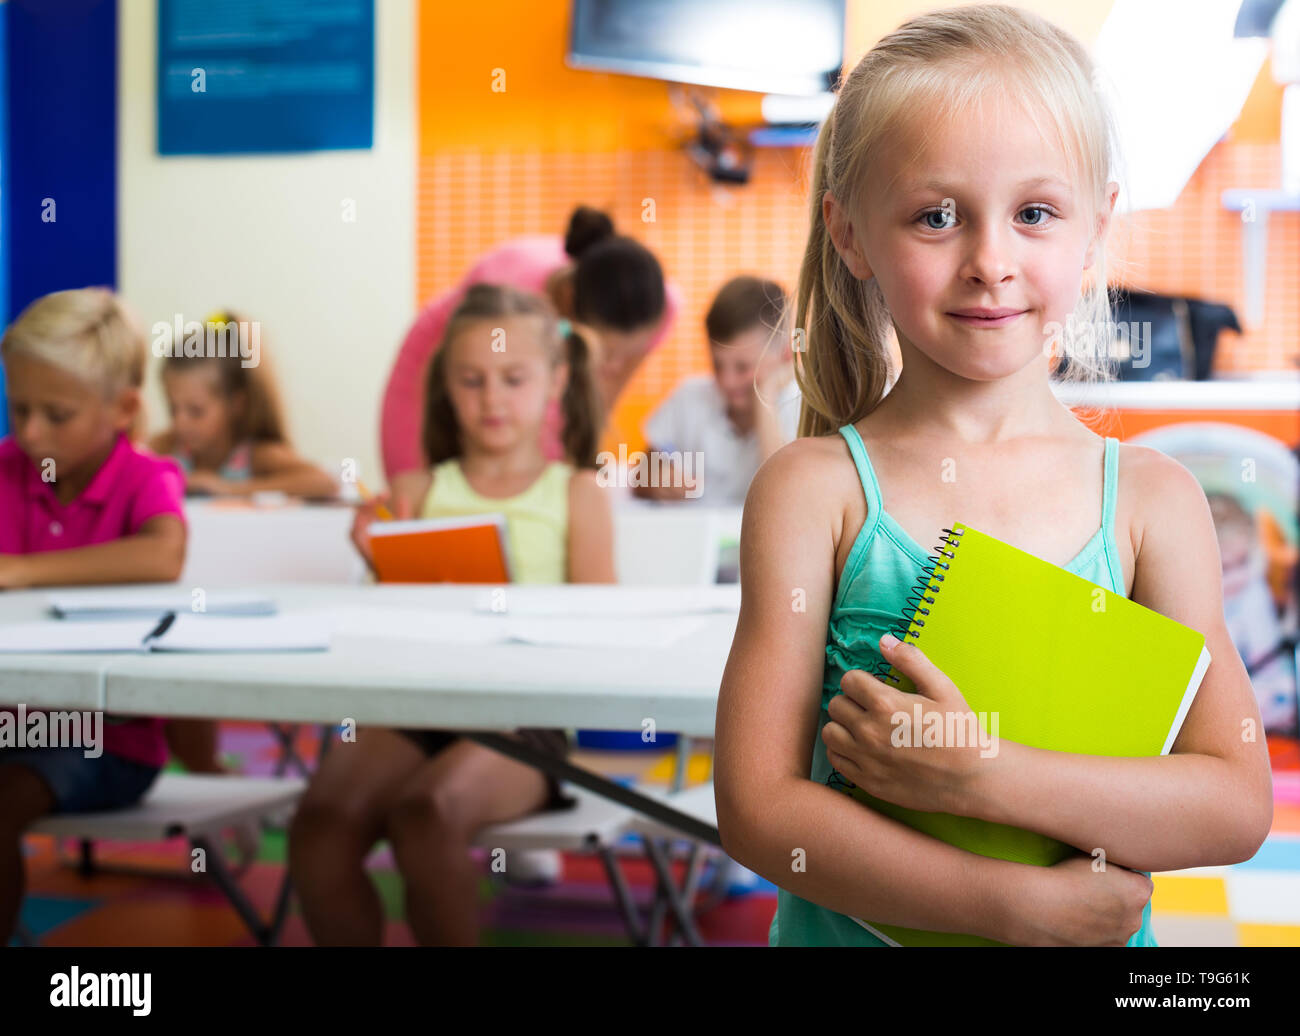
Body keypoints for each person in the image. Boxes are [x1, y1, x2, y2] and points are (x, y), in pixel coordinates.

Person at [713, 4, 1272, 947]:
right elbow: (760, 810)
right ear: (850, 237)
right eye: (937, 216)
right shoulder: (815, 492)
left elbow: (1234, 801)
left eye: (1034, 214)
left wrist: (983, 773)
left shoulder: (1150, 502)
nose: (990, 262)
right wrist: (1012, 907)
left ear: (1093, 230)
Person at [290, 284, 616, 946]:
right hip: (418, 704)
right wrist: (377, 559)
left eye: (512, 379)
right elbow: (391, 623)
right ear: (446, 386)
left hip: (527, 723)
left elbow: (607, 631)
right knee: (318, 825)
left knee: (426, 814)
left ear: (555, 381)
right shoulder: (415, 491)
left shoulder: (577, 493)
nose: (491, 399)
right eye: (471, 381)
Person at [0, 288, 187, 942]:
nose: (30, 433)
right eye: (18, 408)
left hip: (107, 737)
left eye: (56, 414)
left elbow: (164, 555)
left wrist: (20, 571)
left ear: (123, 409)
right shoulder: (5, 469)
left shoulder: (146, 478)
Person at [381, 205, 681, 481]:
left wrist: (579, 470)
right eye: (607, 353)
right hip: (435, 372)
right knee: (429, 488)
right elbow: (487, 392)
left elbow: (596, 404)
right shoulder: (508, 285)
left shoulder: (657, 307)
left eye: (625, 355)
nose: (614, 367)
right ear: (566, 301)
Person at [637, 275, 800, 504]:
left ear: (785, 356)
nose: (727, 381)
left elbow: (786, 496)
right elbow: (641, 472)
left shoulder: (804, 410)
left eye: (742, 367)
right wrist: (654, 481)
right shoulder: (690, 397)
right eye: (717, 365)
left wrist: (766, 397)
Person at [150, 310, 337, 499]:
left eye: (196, 411)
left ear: (236, 404)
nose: (180, 423)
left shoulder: (255, 456)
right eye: (173, 409)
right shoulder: (167, 447)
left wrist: (227, 488)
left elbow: (324, 482)